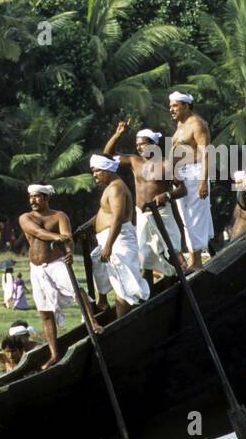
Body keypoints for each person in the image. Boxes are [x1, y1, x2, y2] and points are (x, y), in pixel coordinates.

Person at [102, 121, 187, 283]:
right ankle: (147, 292)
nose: (140, 148)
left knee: (173, 249)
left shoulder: (166, 164)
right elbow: (107, 157)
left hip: (162, 212)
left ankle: (187, 278)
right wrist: (118, 134)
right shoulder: (135, 162)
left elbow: (182, 190)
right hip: (142, 214)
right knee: (146, 255)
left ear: (153, 144)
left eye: (143, 144)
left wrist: (167, 195)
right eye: (137, 145)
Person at [84, 154, 150, 316]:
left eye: (97, 171)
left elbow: (117, 218)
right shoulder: (111, 187)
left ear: (107, 169)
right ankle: (103, 300)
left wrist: (109, 245)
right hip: (110, 239)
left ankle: (123, 324)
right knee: (98, 261)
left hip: (118, 241)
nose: (95, 175)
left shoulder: (115, 188)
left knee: (123, 285)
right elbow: (104, 212)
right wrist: (85, 227)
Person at [19, 184, 76, 364]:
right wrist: (56, 237)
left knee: (76, 291)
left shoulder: (59, 216)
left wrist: (69, 251)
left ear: (46, 198)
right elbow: (37, 232)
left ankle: (93, 323)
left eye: (37, 197)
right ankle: (54, 354)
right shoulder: (25, 217)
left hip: (55, 263)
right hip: (36, 268)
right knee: (45, 312)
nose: (33, 200)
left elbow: (67, 237)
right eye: (31, 197)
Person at [168, 91, 214, 270]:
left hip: (195, 174)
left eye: (175, 105)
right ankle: (193, 259)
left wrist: (203, 181)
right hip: (182, 176)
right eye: (170, 106)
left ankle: (197, 262)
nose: (171, 109)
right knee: (185, 218)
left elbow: (206, 153)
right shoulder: (180, 125)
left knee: (195, 217)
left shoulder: (197, 124)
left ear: (186, 106)